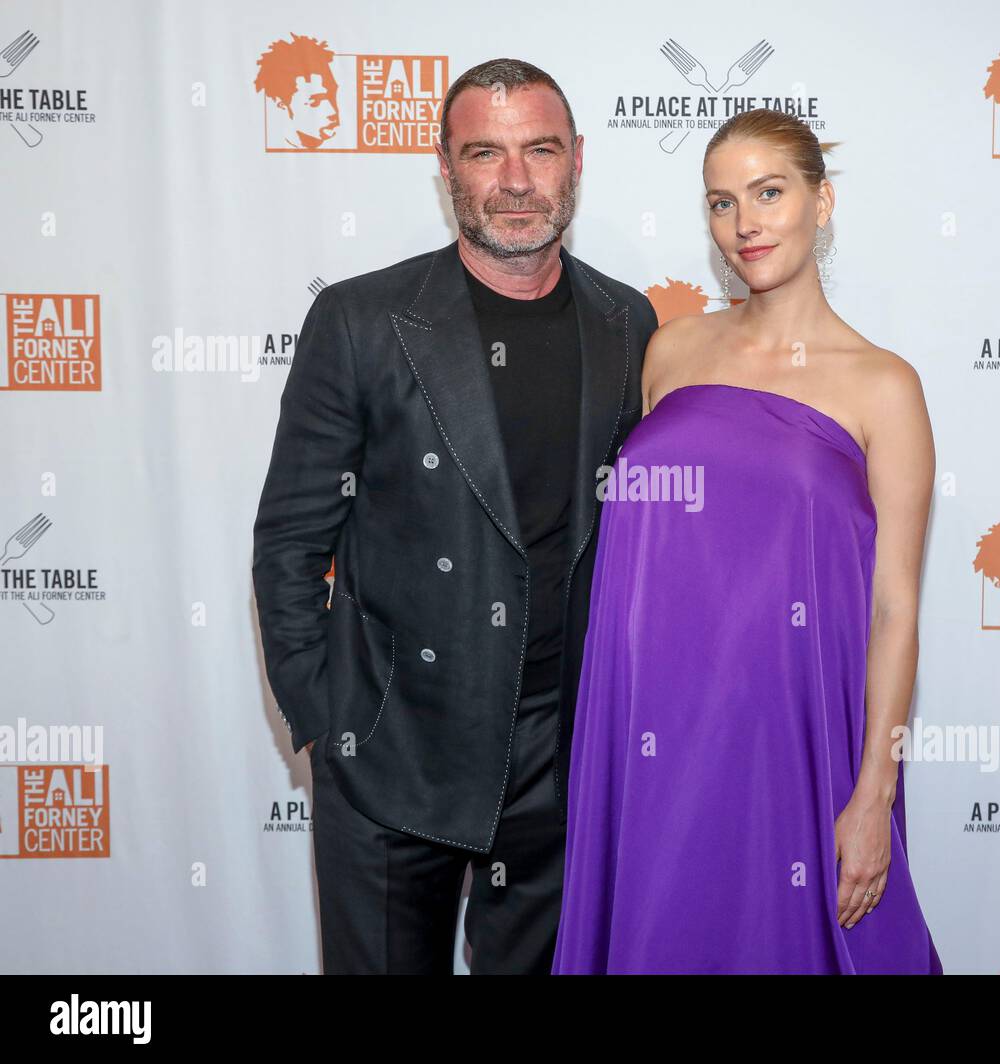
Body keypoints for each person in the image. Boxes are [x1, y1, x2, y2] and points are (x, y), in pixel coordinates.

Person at [251, 58, 655, 974]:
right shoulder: (362, 320)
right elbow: (289, 539)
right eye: (485, 153)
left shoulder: (628, 324)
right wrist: (326, 717)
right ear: (446, 170)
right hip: (393, 744)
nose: (515, 181)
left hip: (562, 758)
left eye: (539, 150)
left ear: (577, 161)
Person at [552, 108, 944, 974]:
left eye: (769, 193)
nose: (746, 224)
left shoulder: (884, 385)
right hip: (651, 730)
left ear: (822, 201)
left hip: (791, 736)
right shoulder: (670, 351)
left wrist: (875, 791)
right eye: (722, 203)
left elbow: (895, 607)